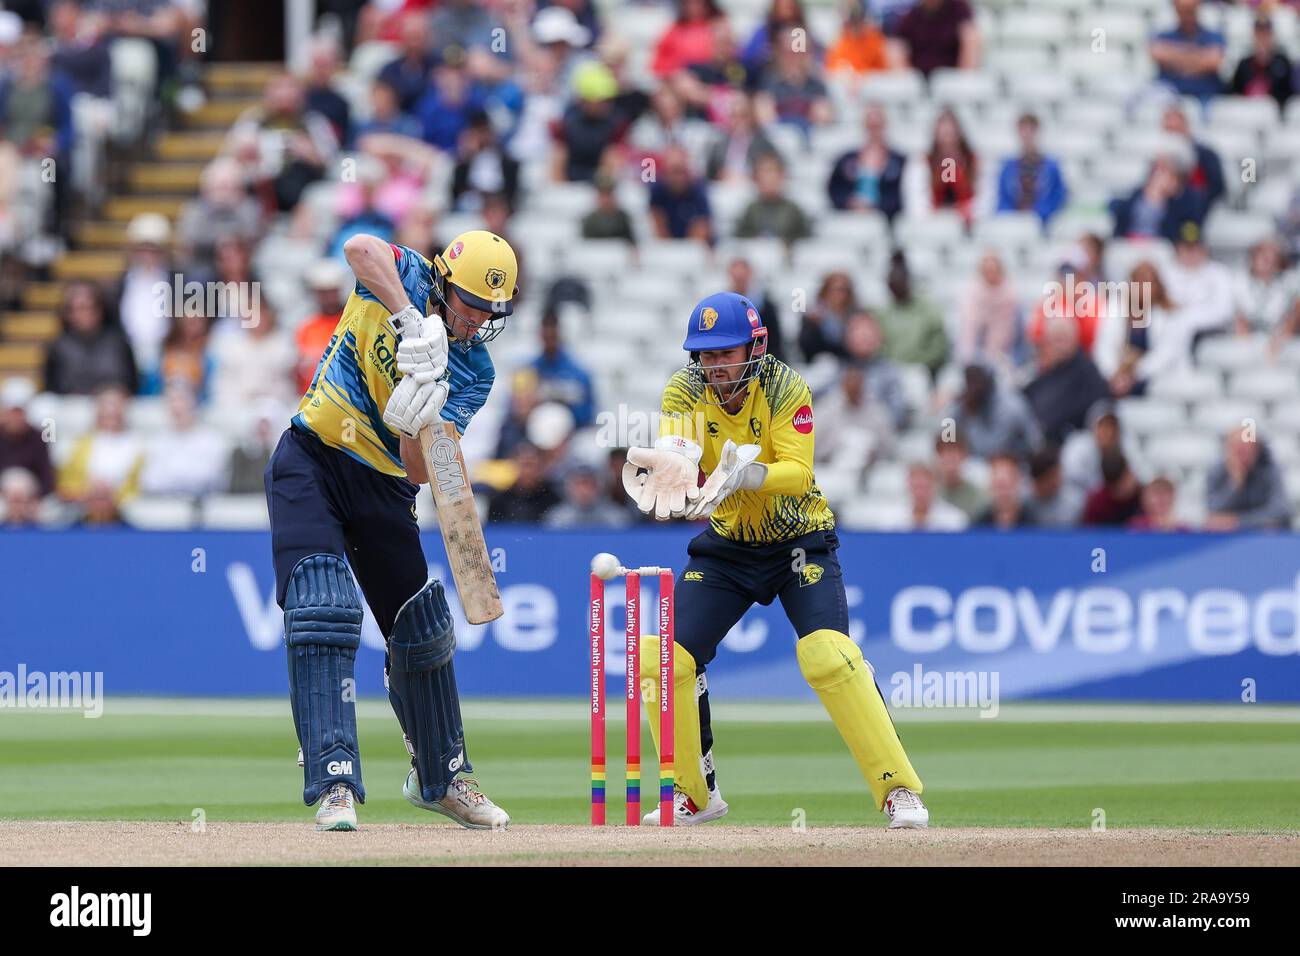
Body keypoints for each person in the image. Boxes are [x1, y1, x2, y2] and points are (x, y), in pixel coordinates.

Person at [620, 291, 928, 828]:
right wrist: (675, 465)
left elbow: (799, 472)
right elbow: (678, 445)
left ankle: (899, 791)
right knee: (661, 659)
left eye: (726, 353)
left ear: (754, 347)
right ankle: (695, 795)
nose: (715, 366)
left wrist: (748, 475)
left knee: (828, 654)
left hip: (798, 543)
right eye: (706, 355)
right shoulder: (684, 387)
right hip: (727, 549)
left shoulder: (786, 386)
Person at [264, 228, 518, 831]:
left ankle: (444, 778)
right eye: (473, 304)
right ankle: (333, 781)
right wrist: (409, 322)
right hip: (313, 455)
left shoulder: (475, 370)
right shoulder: (403, 272)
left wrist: (417, 406)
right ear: (444, 281)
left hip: (384, 485)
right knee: (323, 604)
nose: (478, 320)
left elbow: (416, 470)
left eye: (492, 311)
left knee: (424, 631)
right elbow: (357, 247)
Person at [1022, 316, 1111, 446]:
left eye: (1064, 338)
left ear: (1075, 338)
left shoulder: (1087, 370)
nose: (1060, 346)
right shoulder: (1041, 370)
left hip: (1072, 437)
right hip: (1036, 435)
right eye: (1056, 339)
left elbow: (1096, 402)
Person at [43, 281, 138, 396]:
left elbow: (132, 384)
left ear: (100, 310)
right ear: (68, 314)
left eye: (88, 308)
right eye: (76, 309)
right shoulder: (58, 348)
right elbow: (51, 389)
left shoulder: (118, 343)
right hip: (70, 409)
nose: (83, 315)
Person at [1204, 426, 1292, 531]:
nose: (1243, 456)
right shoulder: (1216, 471)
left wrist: (1238, 522)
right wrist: (1235, 484)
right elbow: (1214, 514)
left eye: (1247, 449)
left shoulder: (1270, 470)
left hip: (1262, 539)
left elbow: (1280, 512)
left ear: (1256, 450)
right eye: (1237, 450)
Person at [827, 104, 906, 220]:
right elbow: (834, 189)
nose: (874, 131)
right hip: (850, 216)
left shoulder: (898, 161)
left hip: (885, 219)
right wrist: (849, 202)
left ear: (885, 126)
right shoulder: (846, 159)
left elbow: (901, 194)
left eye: (877, 126)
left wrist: (876, 206)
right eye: (870, 126)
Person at [947, 363, 1041, 460]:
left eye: (976, 384)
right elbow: (946, 436)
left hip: (1020, 461)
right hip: (984, 460)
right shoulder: (965, 400)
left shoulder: (1007, 406)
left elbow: (989, 451)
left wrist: (970, 415)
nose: (973, 388)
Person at [877, 251, 950, 373]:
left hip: (923, 371)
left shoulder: (929, 309)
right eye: (892, 279)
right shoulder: (882, 313)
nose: (896, 282)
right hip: (889, 371)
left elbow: (940, 347)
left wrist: (918, 362)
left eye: (900, 277)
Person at [995, 113, 1067, 225]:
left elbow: (1058, 197)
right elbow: (1003, 198)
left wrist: (1039, 215)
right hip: (1014, 221)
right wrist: (1012, 217)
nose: (1027, 136)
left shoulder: (1052, 167)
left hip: (1043, 222)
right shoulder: (1008, 167)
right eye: (1023, 131)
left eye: (1030, 131)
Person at [1149, 0, 1225, 104]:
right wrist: (1199, 57)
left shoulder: (1214, 36)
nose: (1187, 14)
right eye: (1183, 10)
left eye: (1190, 9)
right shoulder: (1164, 35)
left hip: (1206, 98)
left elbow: (1213, 61)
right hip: (1170, 101)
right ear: (1176, 9)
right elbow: (1157, 54)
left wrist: (1174, 58)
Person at [732, 152, 810, 244]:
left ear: (781, 176)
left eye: (772, 172)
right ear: (756, 179)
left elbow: (806, 240)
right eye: (763, 173)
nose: (768, 178)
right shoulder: (750, 210)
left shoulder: (793, 210)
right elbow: (739, 238)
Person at [0, 379, 53, 497]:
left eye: (20, 412)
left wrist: (33, 498)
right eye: (13, 412)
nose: (16, 417)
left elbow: (47, 479)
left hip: (32, 500)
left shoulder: (40, 438)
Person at [895, 0, 978, 76]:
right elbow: (898, 47)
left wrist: (963, 77)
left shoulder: (959, 9)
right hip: (920, 78)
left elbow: (970, 41)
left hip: (950, 76)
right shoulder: (911, 16)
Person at [487, 442, 563, 522]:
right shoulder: (500, 501)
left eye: (531, 465)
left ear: (541, 467)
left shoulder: (553, 499)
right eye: (524, 465)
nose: (528, 471)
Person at [1230, 16, 1293, 108]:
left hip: (1276, 117)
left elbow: (1289, 94)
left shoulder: (1283, 62)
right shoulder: (1244, 64)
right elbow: (1234, 93)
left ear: (1272, 35)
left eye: (1266, 33)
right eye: (1259, 33)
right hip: (1247, 115)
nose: (1262, 38)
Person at [544, 462, 629, 528]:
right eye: (579, 485)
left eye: (589, 484)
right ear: (568, 488)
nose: (584, 491)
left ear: (599, 487)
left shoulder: (616, 517)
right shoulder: (557, 518)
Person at [1022, 445, 1082, 528]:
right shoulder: (1023, 501)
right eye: (1051, 477)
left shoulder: (1074, 503)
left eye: (1057, 474)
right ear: (1037, 481)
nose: (1057, 480)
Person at [1081, 450, 1142, 526]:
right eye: (1127, 477)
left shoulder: (1142, 497)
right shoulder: (1097, 504)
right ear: (1112, 486)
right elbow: (1090, 533)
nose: (1133, 478)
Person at [902, 461, 967, 531]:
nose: (920, 494)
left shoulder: (954, 519)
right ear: (908, 485)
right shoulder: (891, 518)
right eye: (916, 487)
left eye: (924, 487)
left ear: (936, 486)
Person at [975, 453, 1030, 529]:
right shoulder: (979, 524)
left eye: (1007, 484)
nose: (1003, 493)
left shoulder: (1033, 522)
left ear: (1018, 481)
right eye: (998, 485)